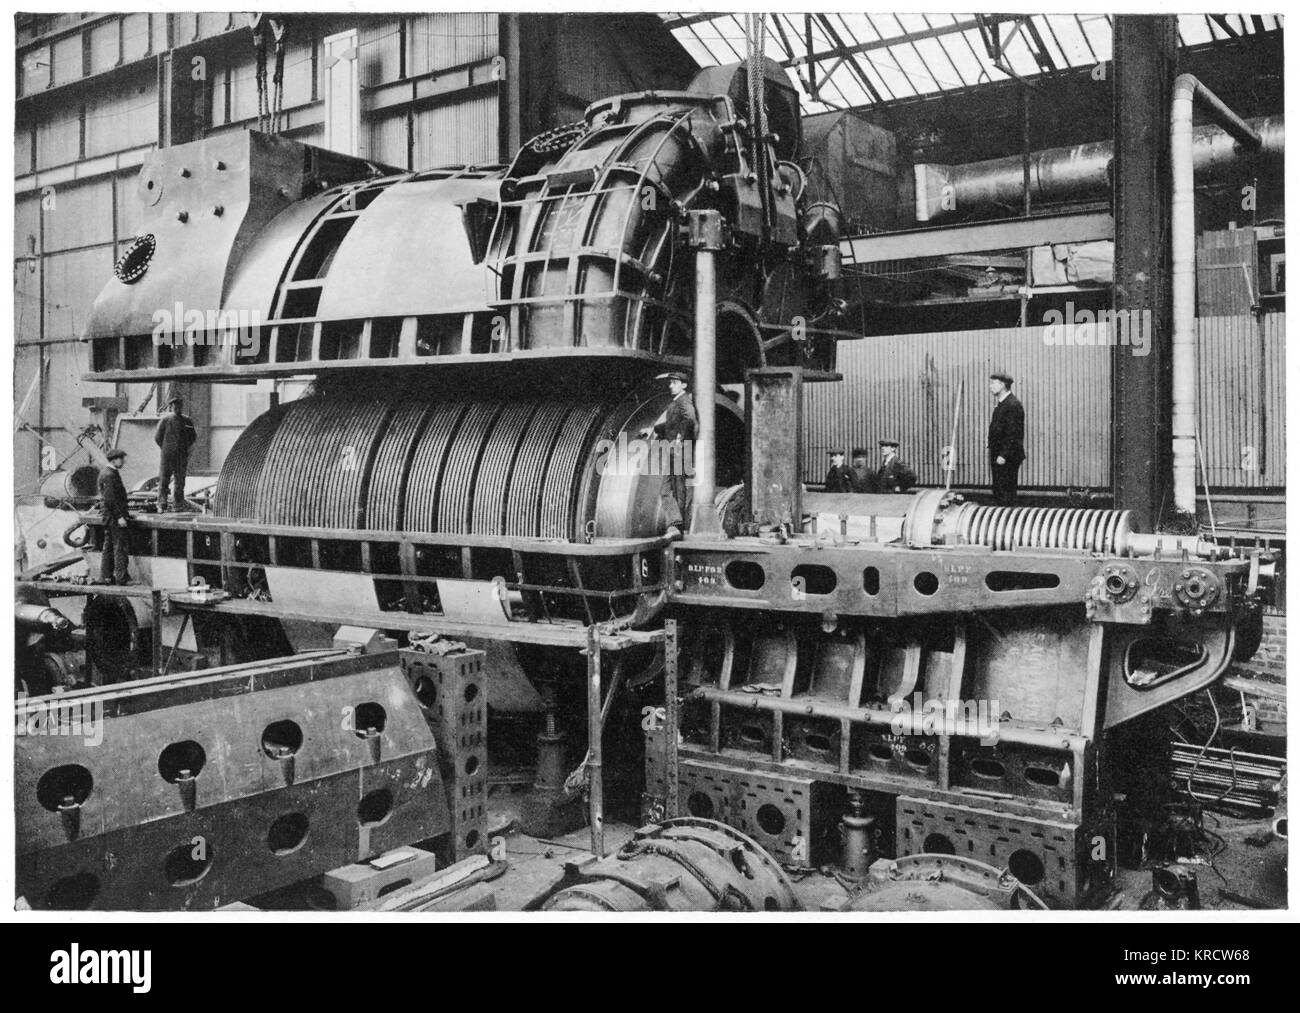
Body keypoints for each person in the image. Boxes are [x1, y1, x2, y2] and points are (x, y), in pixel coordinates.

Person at [641, 371, 697, 540]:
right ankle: (675, 523)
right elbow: (670, 424)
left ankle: (678, 527)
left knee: (678, 489)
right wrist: (653, 429)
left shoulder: (684, 401)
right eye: (671, 382)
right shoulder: (675, 403)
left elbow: (690, 419)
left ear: (684, 385)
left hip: (680, 450)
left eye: (674, 382)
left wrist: (680, 439)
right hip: (674, 451)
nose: (671, 385)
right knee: (666, 489)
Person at [154, 394, 198, 511]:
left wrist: (183, 448)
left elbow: (193, 437)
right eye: (175, 406)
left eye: (179, 405)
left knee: (180, 481)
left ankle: (178, 504)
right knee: (164, 479)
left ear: (181, 407)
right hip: (167, 456)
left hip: (181, 456)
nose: (177, 408)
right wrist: (166, 448)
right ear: (171, 407)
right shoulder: (165, 421)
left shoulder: (187, 420)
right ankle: (162, 503)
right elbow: (157, 437)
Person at [987, 372, 1026, 505]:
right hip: (1000, 456)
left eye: (993, 383)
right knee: (1000, 491)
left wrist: (1003, 455)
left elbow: (1014, 434)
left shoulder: (1012, 405)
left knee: (1005, 494)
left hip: (1006, 457)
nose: (990, 386)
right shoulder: (1003, 404)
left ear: (1003, 385)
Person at [97, 448, 132, 585]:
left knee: (109, 547)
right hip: (114, 518)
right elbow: (110, 499)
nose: (123, 461)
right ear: (114, 459)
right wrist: (120, 517)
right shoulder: (109, 475)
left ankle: (106, 576)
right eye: (121, 459)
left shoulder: (108, 473)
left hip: (109, 517)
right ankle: (122, 578)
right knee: (120, 547)